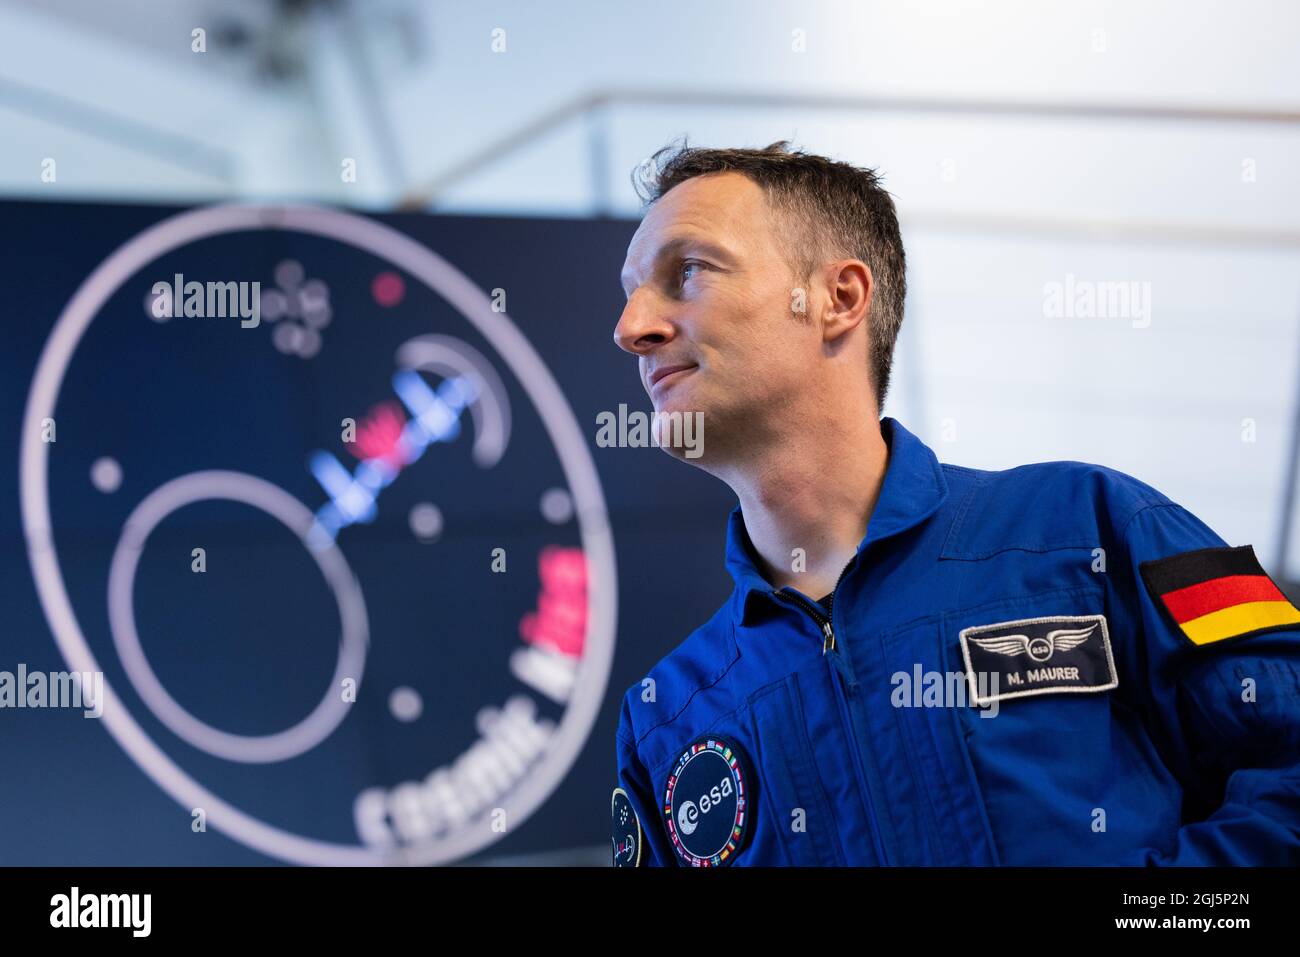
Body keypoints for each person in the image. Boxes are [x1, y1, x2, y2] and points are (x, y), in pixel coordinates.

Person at [607, 141, 1300, 867]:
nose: (631, 327)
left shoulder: (1089, 527)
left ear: (839, 298)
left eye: (688, 271)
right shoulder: (665, 719)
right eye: (629, 294)